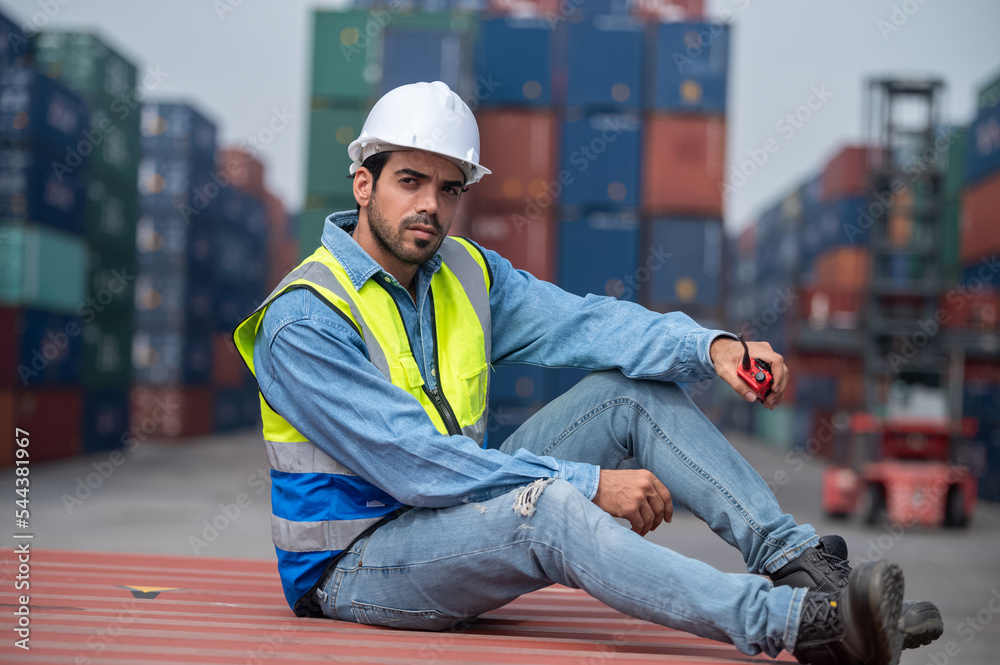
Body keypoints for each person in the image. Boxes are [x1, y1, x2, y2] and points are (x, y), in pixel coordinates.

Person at [234, 81, 942, 665]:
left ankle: (801, 564)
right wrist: (590, 483)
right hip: (355, 566)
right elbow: (416, 465)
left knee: (626, 392)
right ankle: (801, 623)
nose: (431, 206)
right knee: (550, 506)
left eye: (449, 189)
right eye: (410, 181)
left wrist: (714, 347)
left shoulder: (462, 272)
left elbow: (587, 323)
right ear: (364, 183)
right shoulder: (306, 320)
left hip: (446, 516)